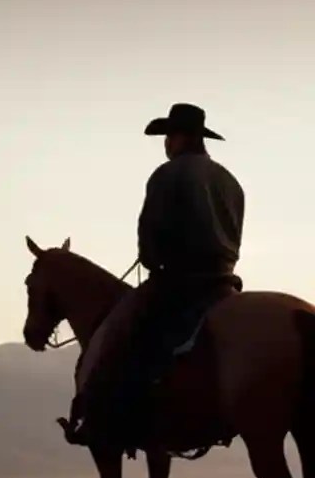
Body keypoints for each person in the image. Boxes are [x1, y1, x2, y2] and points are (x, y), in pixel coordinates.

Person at [62, 103, 245, 449]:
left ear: (180, 137)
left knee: (115, 335)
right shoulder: (230, 181)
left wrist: (152, 260)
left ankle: (100, 420)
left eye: (169, 136)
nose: (166, 144)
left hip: (179, 282)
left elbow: (150, 234)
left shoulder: (167, 175)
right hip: (224, 283)